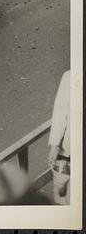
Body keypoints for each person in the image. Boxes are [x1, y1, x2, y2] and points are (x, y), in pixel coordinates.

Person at [48, 70, 70, 205]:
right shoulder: (69, 76)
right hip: (68, 150)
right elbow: (60, 112)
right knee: (61, 198)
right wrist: (54, 145)